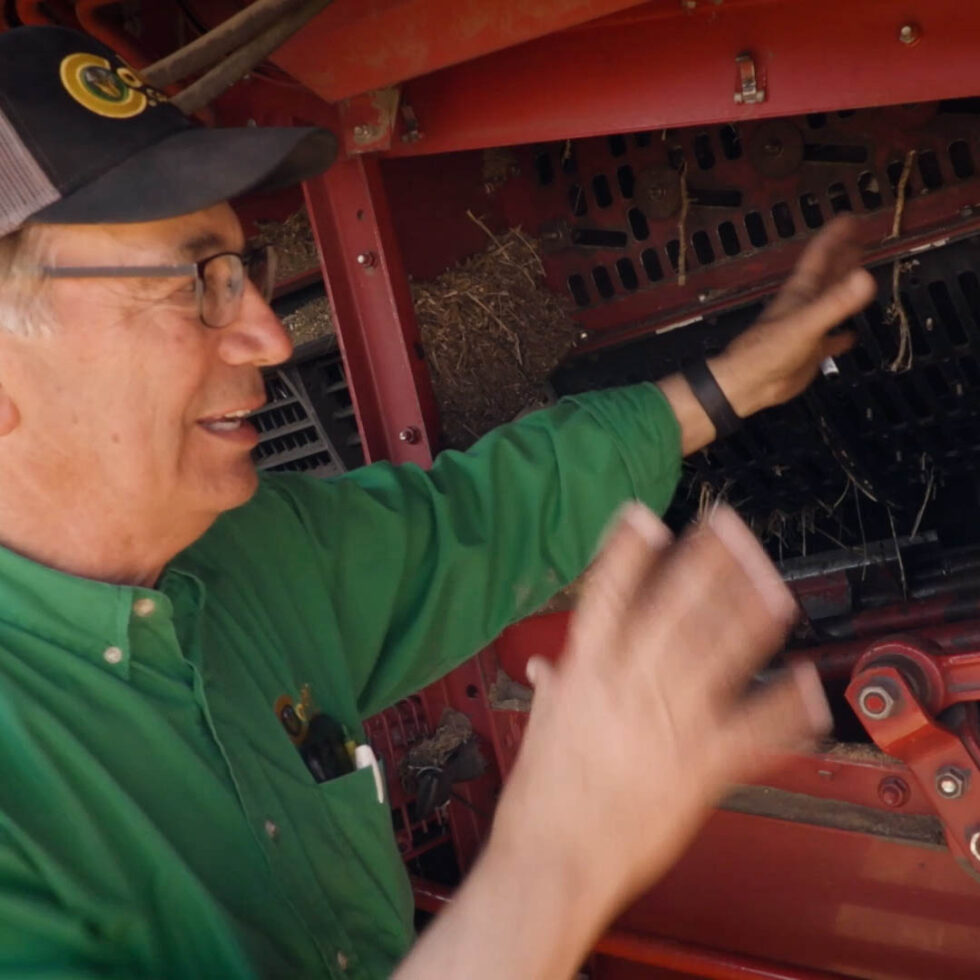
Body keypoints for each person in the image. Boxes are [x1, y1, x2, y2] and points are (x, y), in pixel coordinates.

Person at [0, 25, 875, 980]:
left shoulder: (248, 551)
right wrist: (557, 864)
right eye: (196, 283)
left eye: (244, 273)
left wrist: (727, 386)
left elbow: (476, 519)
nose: (270, 337)